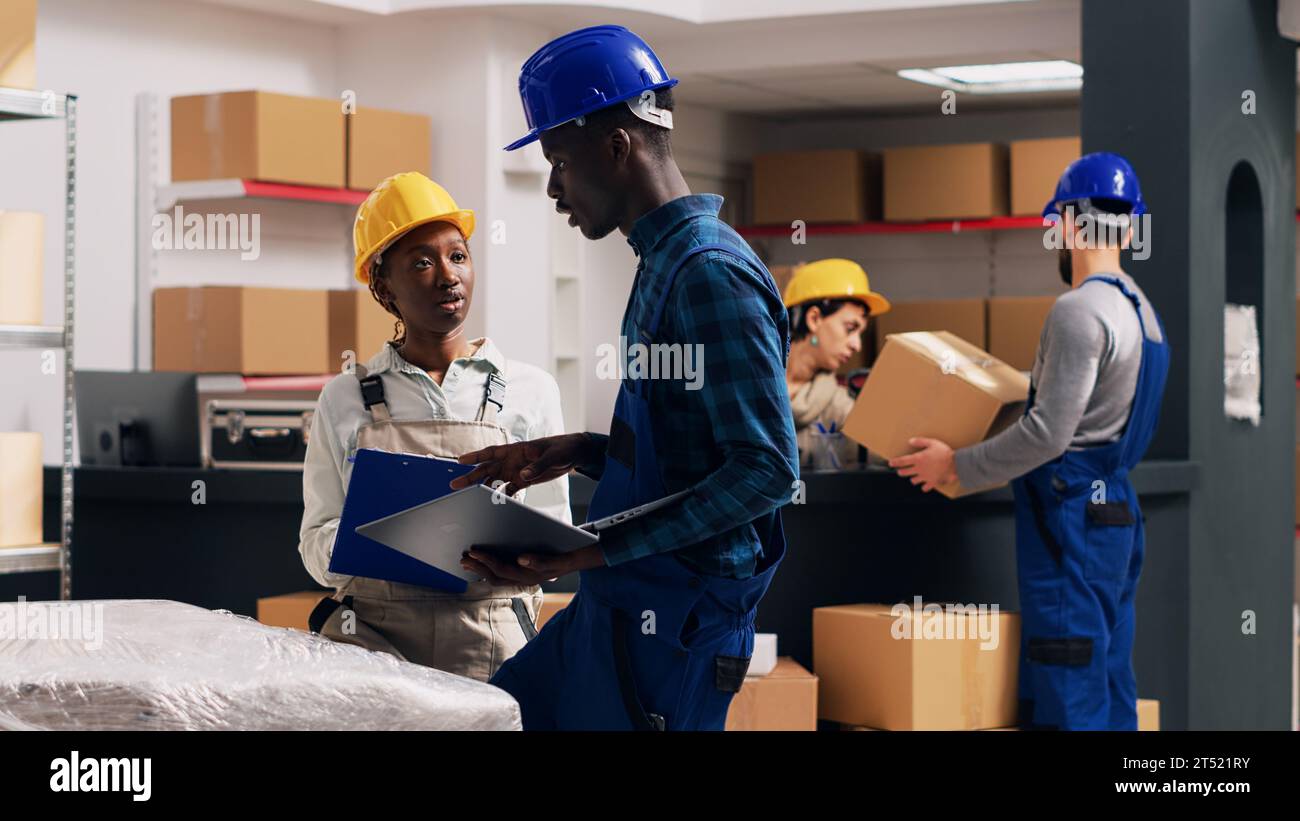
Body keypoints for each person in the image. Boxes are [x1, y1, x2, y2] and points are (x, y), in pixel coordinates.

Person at [449, 24, 798, 730]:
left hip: (677, 623)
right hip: (622, 599)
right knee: (491, 716)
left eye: (559, 163)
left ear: (617, 147)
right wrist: (578, 450)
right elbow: (688, 453)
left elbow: (764, 469)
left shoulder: (708, 274)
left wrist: (587, 549)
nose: (552, 189)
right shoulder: (663, 264)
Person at [888, 153, 1169, 730]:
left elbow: (1048, 435)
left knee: (1068, 669)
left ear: (1066, 224)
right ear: (1131, 225)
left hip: (1071, 515)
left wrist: (956, 465)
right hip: (1116, 513)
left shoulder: (1078, 310)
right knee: (1108, 668)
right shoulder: (1142, 313)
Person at [297, 171, 570, 682]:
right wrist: (375, 541)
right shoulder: (345, 396)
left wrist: (527, 558)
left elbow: (554, 542)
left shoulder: (532, 390)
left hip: (492, 645)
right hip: (373, 650)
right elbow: (314, 543)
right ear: (383, 285)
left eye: (458, 256)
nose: (448, 276)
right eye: (422, 262)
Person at [783, 258, 890, 469]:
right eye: (850, 328)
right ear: (814, 319)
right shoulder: (751, 383)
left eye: (860, 333)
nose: (857, 345)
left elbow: (883, 454)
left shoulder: (838, 406)